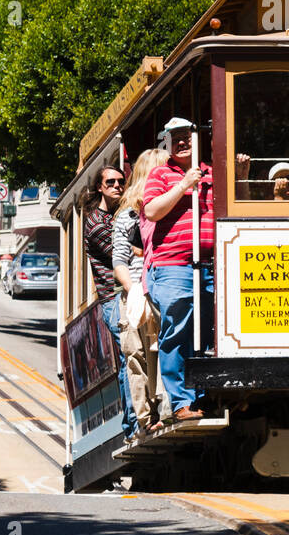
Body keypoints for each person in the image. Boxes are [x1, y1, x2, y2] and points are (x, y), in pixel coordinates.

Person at [141, 118, 248, 422]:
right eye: (175, 138)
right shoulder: (161, 174)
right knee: (178, 331)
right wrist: (184, 185)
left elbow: (240, 206)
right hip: (174, 266)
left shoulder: (214, 174)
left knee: (212, 333)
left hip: (214, 265)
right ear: (167, 143)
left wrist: (241, 178)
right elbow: (152, 210)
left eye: (187, 137)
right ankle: (181, 403)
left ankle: (207, 397)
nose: (182, 143)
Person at [113, 148, 172, 436]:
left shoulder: (171, 207)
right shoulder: (128, 216)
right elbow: (119, 262)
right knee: (137, 354)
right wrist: (134, 290)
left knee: (162, 350)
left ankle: (165, 408)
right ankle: (145, 418)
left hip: (162, 284)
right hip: (138, 292)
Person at [82, 165, 137, 441]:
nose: (117, 186)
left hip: (122, 297)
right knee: (130, 357)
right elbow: (123, 254)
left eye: (121, 181)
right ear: (100, 188)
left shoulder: (117, 217)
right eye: (111, 182)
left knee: (133, 356)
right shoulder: (96, 223)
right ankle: (133, 424)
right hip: (113, 300)